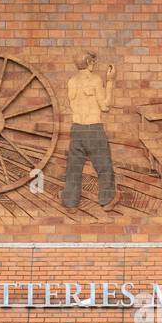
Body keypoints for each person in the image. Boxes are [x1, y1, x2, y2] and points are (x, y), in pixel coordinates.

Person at [62, 50, 117, 208]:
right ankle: (107, 201)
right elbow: (105, 106)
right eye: (93, 61)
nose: (94, 64)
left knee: (74, 168)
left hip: (76, 129)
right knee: (104, 166)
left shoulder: (71, 81)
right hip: (94, 130)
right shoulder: (95, 80)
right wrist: (111, 81)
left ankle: (70, 202)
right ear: (88, 63)